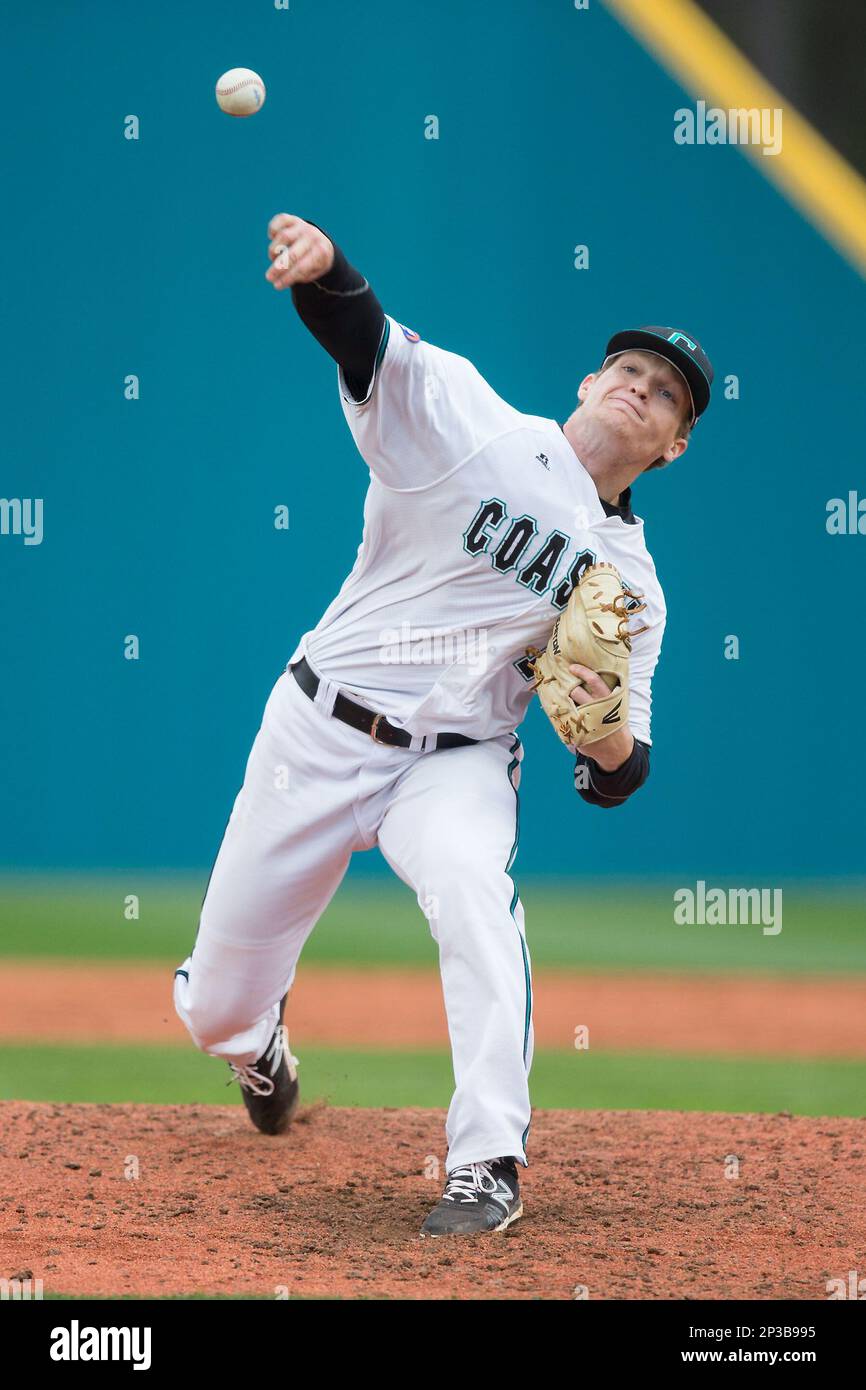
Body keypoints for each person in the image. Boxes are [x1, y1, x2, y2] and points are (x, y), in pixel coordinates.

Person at [173, 214, 713, 1238]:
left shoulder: (631, 586)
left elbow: (620, 770)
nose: (640, 385)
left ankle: (486, 1161)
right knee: (213, 1011)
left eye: (666, 393)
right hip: (318, 731)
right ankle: (258, 1047)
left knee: (472, 891)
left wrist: (596, 742)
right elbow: (363, 338)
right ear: (586, 386)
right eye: (629, 369)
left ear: (672, 445)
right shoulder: (473, 423)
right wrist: (325, 269)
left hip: (456, 761)